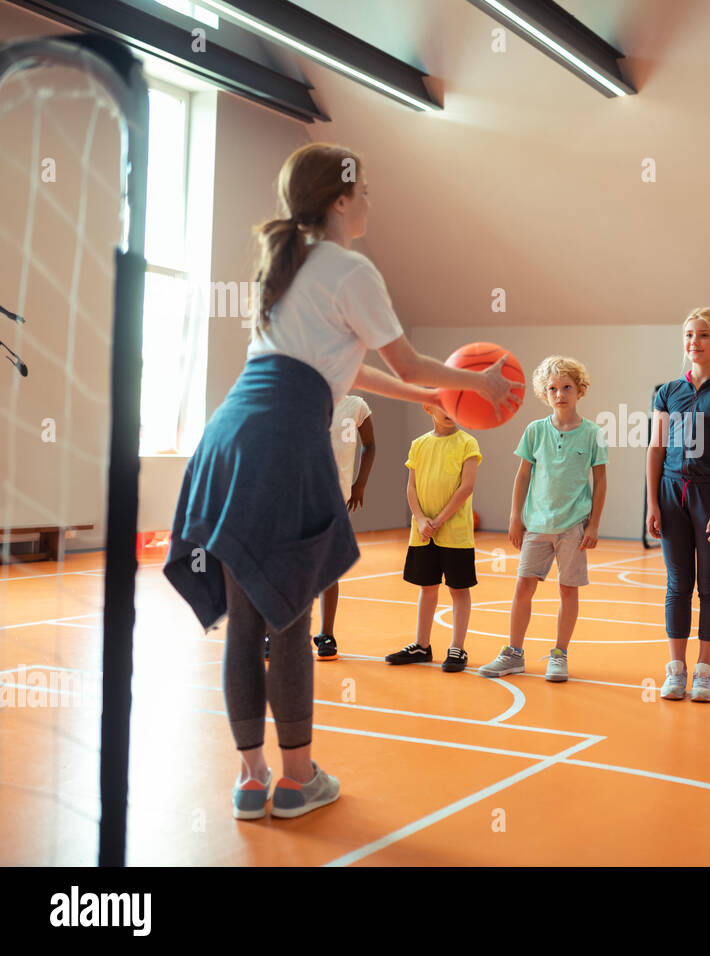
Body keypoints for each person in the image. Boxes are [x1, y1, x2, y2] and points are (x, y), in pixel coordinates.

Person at [164, 142, 522, 821]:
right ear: (339, 199)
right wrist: (474, 382)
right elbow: (412, 362)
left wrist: (421, 399)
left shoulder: (285, 268)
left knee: (247, 627)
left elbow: (346, 370)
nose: (371, 202)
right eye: (365, 191)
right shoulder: (352, 268)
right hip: (281, 441)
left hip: (230, 434)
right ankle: (298, 783)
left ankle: (251, 780)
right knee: (291, 621)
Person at [645, 308, 710, 702]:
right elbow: (656, 448)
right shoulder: (667, 392)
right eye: (689, 334)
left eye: (704, 335)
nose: (694, 341)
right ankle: (676, 669)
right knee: (677, 585)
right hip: (672, 496)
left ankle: (705, 671)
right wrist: (653, 502)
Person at [482, 356, 607, 681]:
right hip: (536, 525)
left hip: (573, 526)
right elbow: (523, 476)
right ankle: (513, 653)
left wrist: (593, 523)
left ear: (579, 390)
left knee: (568, 590)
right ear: (544, 393)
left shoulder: (593, 433)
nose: (559, 393)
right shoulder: (535, 431)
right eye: (552, 388)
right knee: (523, 587)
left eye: (566, 387)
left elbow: (601, 480)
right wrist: (515, 517)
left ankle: (559, 654)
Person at [383, 400, 479, 671]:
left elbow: (466, 487)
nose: (449, 410)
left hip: (455, 534)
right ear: (428, 408)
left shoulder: (468, 443)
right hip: (423, 533)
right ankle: (422, 646)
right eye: (443, 405)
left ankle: (457, 649)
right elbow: (410, 487)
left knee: (458, 589)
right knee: (427, 588)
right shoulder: (419, 444)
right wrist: (421, 518)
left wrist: (438, 520)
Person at [311, 392, 374, 662]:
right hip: (298, 496)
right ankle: (273, 631)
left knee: (328, 568)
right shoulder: (303, 397)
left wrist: (360, 483)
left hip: (335, 499)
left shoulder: (356, 405)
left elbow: (369, 445)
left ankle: (327, 634)